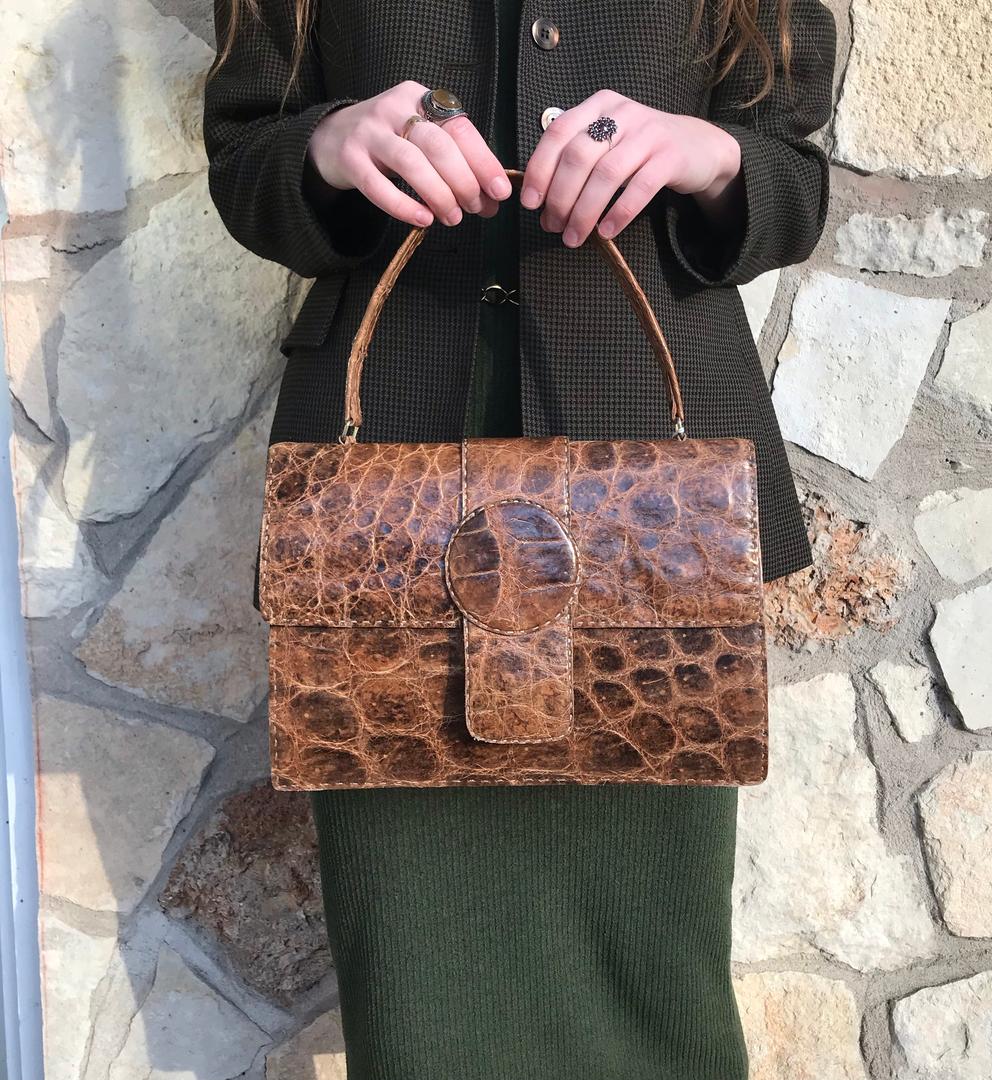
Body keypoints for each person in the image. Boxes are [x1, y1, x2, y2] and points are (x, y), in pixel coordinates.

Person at [203, 1, 836, 1076]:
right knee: (420, 990)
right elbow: (245, 158)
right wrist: (330, 143)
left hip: (650, 510)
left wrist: (708, 156)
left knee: (653, 971)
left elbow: (794, 179)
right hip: (385, 499)